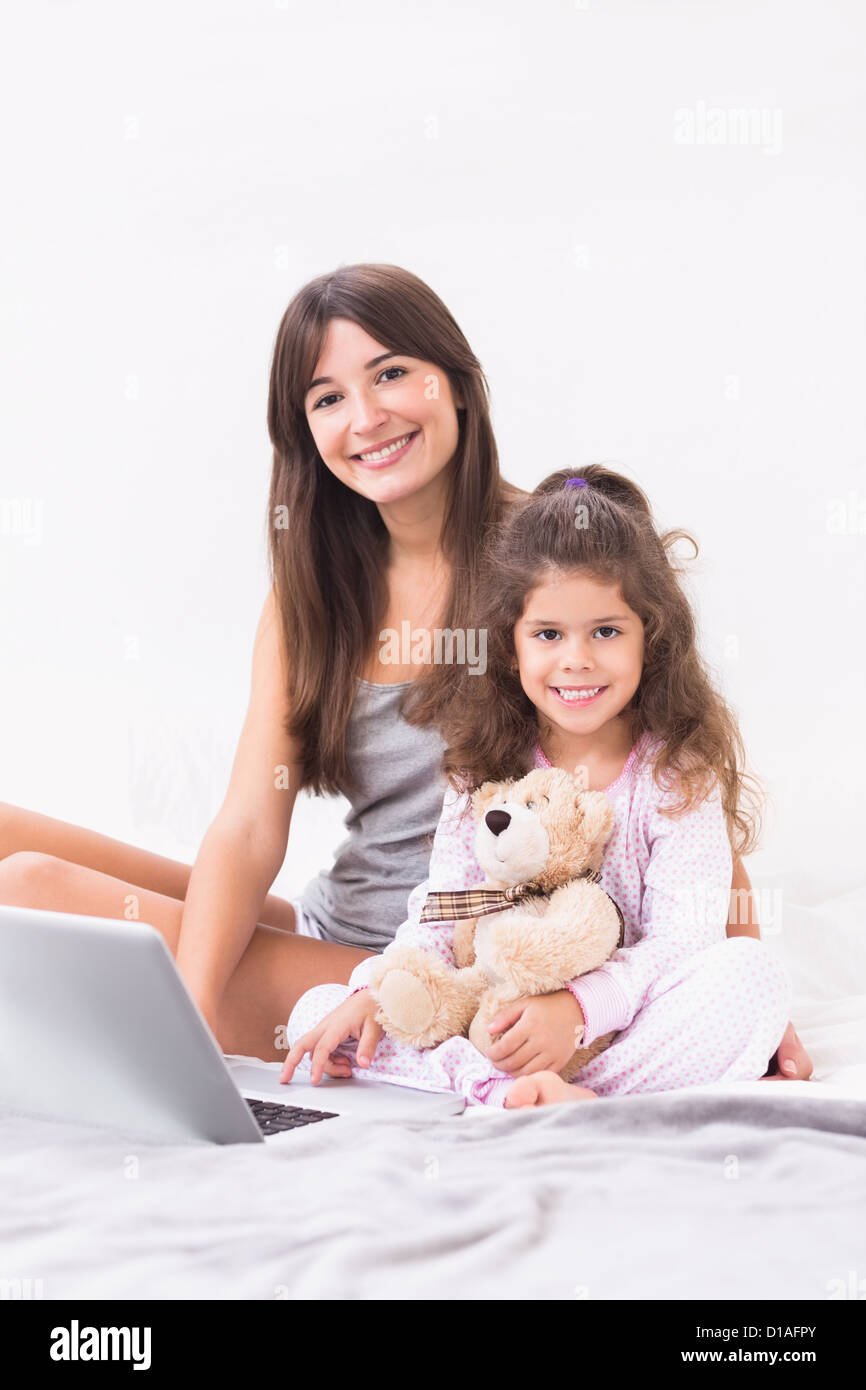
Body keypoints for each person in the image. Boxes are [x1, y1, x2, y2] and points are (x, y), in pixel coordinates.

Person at [0, 265, 808, 1076]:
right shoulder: (311, 594)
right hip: (343, 934)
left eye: (390, 373)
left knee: (29, 890)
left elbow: (677, 763)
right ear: (304, 431)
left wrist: (744, 991)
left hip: (460, 968)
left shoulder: (550, 560)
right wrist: (196, 1008)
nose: (367, 417)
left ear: (456, 384)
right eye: (327, 398)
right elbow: (248, 827)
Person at [280, 466, 796, 1107]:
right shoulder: (481, 769)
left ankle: (552, 1092)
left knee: (750, 979)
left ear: (650, 638)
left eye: (606, 631)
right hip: (498, 1022)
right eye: (548, 634)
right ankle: (508, 1089)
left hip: (621, 1021)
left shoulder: (676, 774)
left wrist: (576, 1009)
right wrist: (371, 992)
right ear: (510, 645)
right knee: (317, 1012)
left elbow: (681, 941)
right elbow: (440, 913)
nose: (576, 659)